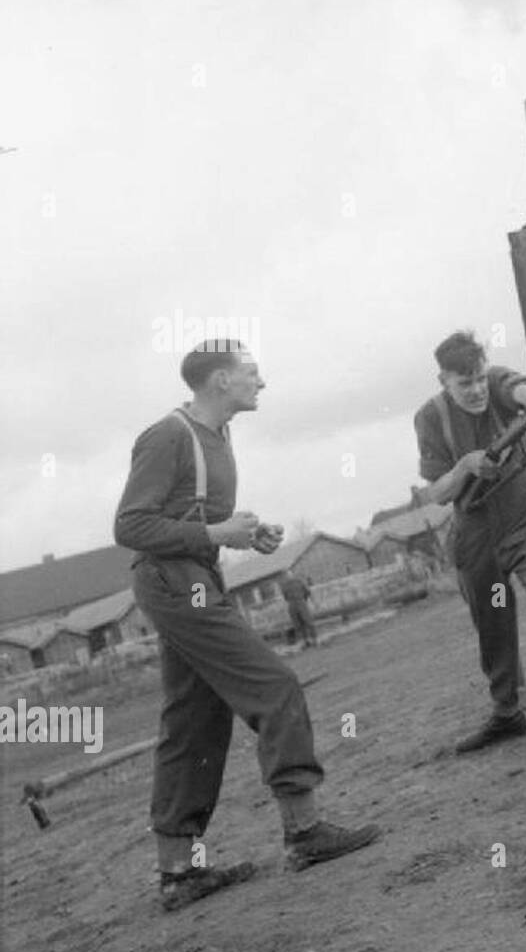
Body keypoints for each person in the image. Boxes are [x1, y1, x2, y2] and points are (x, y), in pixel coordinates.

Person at [114, 340, 380, 912]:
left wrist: (241, 533)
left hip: (195, 575)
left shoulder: (219, 436)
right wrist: (215, 535)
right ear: (218, 381)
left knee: (195, 718)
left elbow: (192, 518)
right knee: (274, 686)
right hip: (171, 579)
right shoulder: (167, 435)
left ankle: (179, 874)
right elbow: (132, 525)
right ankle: (305, 833)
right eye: (251, 373)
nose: (262, 382)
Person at [415, 330, 526, 754]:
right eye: (463, 383)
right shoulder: (430, 418)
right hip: (476, 535)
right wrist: (466, 466)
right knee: (493, 623)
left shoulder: (497, 382)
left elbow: (521, 388)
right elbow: (436, 493)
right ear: (443, 381)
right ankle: (508, 712)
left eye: (477, 378)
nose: (475, 391)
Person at [279, 570, 318, 647]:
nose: (288, 576)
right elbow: (285, 597)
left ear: (292, 574)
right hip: (292, 605)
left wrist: (313, 602)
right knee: (298, 624)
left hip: (301, 602)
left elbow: (308, 592)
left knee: (309, 621)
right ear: (285, 577)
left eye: (289, 574)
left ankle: (315, 639)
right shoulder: (284, 586)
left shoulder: (299, 581)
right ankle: (306, 641)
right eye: (286, 575)